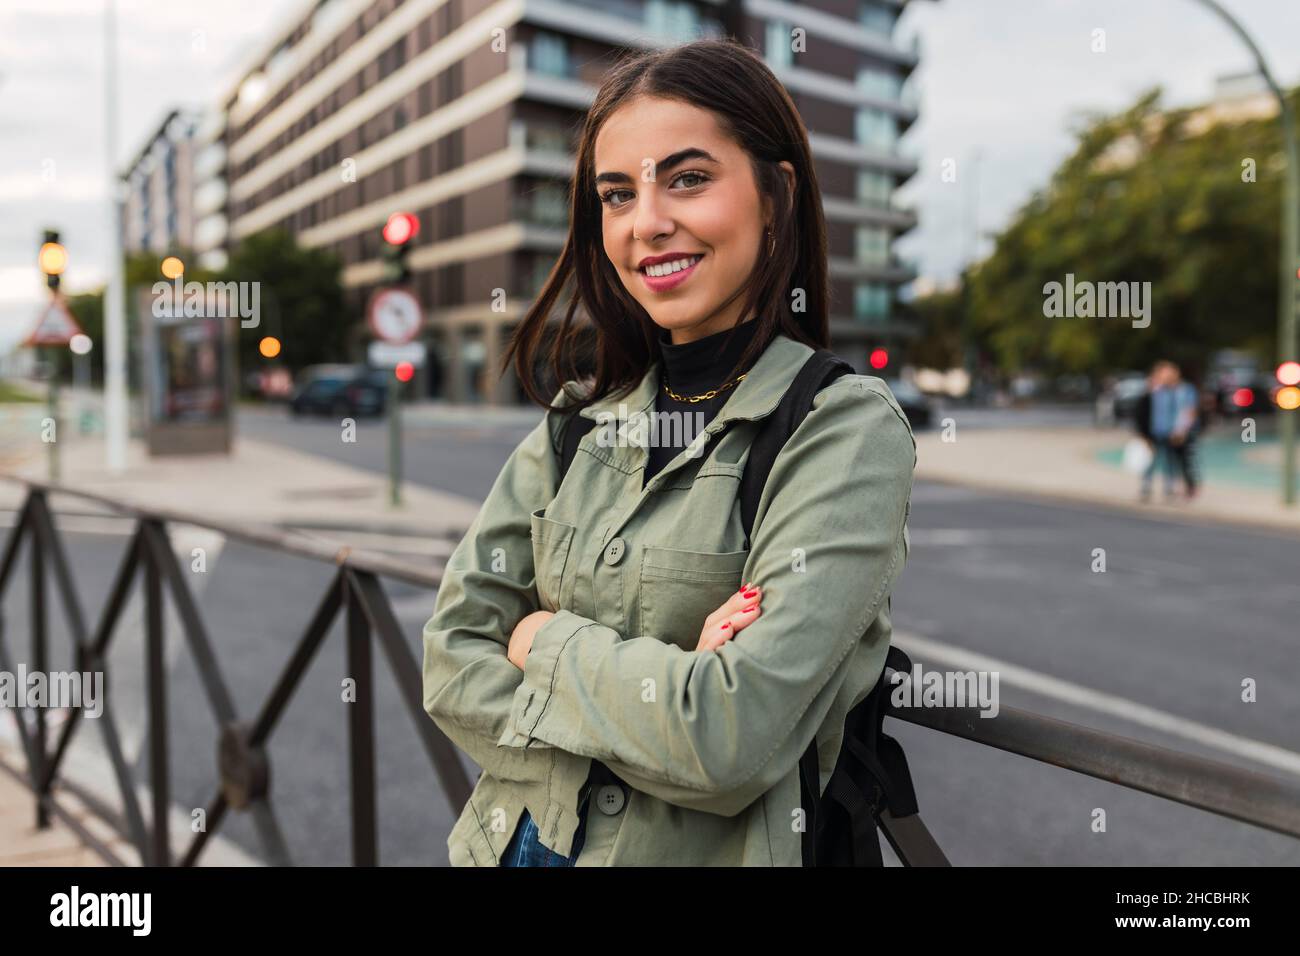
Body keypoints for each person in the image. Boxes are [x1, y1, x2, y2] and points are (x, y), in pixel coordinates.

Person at [421, 39, 916, 866]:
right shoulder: (579, 420)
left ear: (775, 194)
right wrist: (668, 688)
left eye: (688, 178)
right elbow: (449, 656)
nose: (647, 222)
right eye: (618, 194)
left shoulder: (839, 427)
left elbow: (727, 736)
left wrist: (542, 639)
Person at [1134, 360, 1198, 502]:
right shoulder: (1155, 392)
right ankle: (1146, 488)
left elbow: (1185, 412)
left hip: (1171, 433)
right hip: (1156, 432)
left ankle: (1170, 489)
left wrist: (1181, 430)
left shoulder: (1179, 391)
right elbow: (1144, 413)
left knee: (1171, 462)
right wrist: (1144, 434)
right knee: (1152, 462)